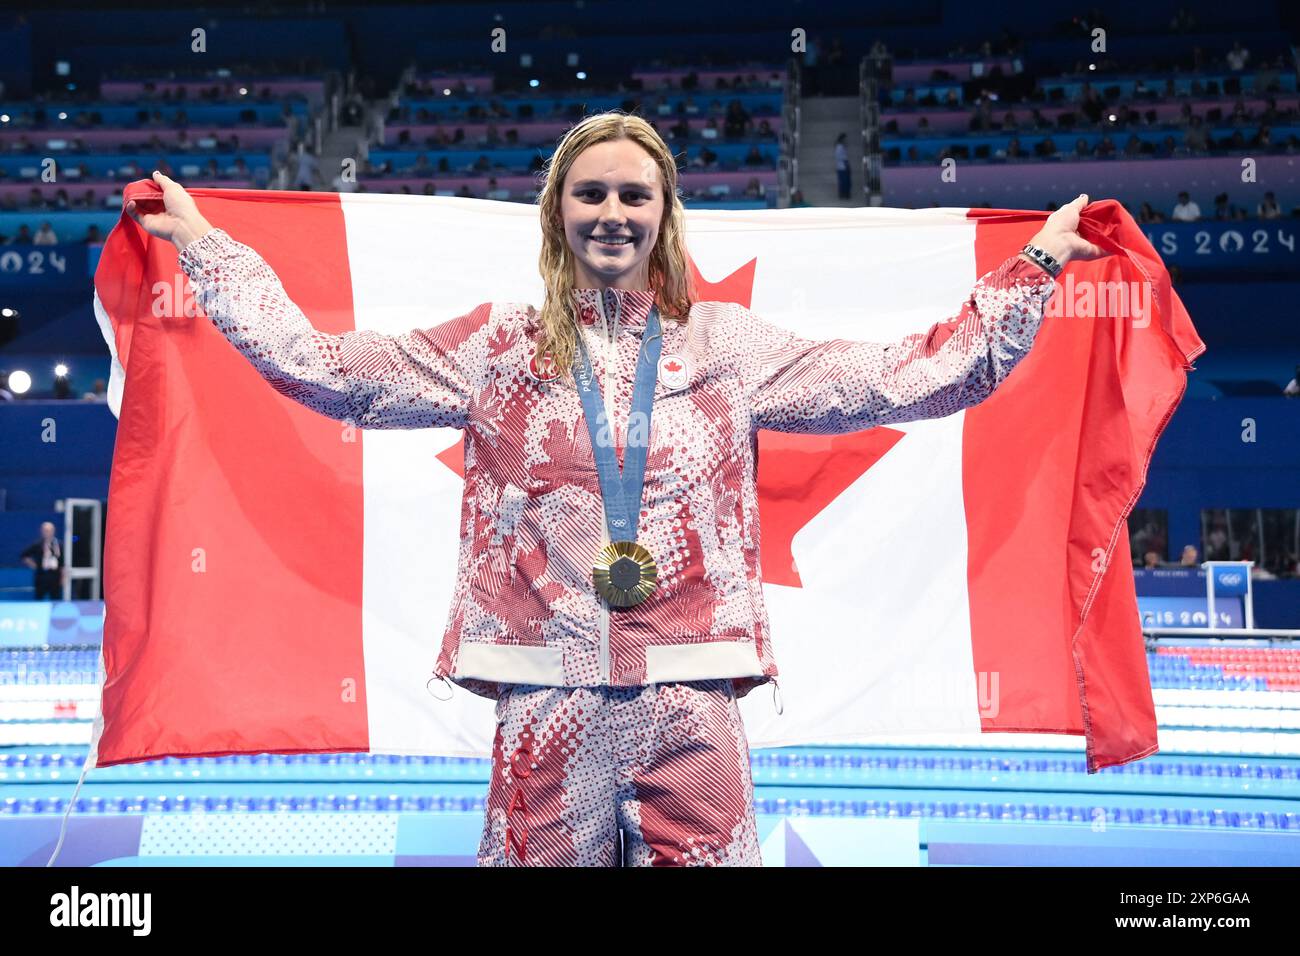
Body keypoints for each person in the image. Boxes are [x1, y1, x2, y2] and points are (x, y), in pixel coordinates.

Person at [126, 112, 1103, 867]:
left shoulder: (730, 347)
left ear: (663, 213)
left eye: (634, 196)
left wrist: (1038, 264)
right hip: (543, 700)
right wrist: (209, 249)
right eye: (590, 193)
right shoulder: (495, 349)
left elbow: (909, 377)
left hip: (691, 698)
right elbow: (325, 369)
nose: (612, 213)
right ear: (559, 209)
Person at [20, 521, 64, 600]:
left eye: (50, 530)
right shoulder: (37, 545)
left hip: (55, 576)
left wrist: (63, 577)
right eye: (46, 530)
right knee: (39, 599)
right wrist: (33, 564)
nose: (48, 533)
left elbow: (63, 562)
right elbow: (24, 555)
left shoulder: (59, 545)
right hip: (41, 576)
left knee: (55, 600)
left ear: (53, 531)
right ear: (42, 531)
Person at [834, 132, 850, 200]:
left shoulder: (841, 146)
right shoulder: (839, 147)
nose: (846, 140)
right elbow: (841, 157)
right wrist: (846, 164)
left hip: (843, 166)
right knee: (844, 181)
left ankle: (844, 194)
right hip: (842, 167)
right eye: (845, 139)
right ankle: (843, 194)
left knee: (845, 181)